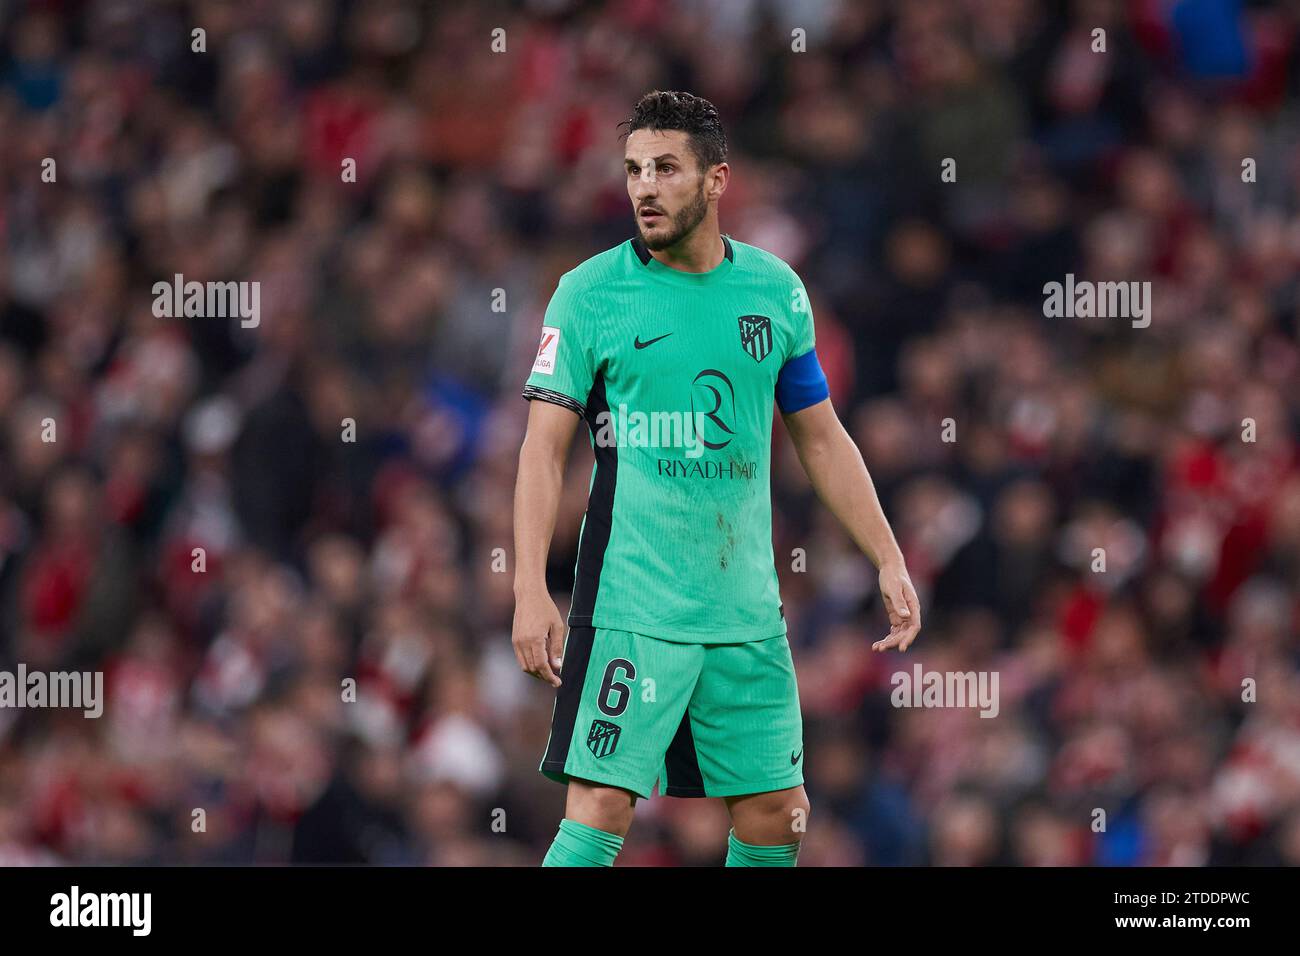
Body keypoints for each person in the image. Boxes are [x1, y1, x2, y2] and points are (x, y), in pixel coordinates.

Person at [511, 90, 921, 867]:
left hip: (743, 609)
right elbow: (541, 450)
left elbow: (823, 439)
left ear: (716, 179)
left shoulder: (774, 291)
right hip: (631, 603)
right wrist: (531, 587)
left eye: (666, 168)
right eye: (633, 169)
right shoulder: (589, 293)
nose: (644, 186)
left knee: (777, 814)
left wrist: (887, 555)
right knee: (601, 802)